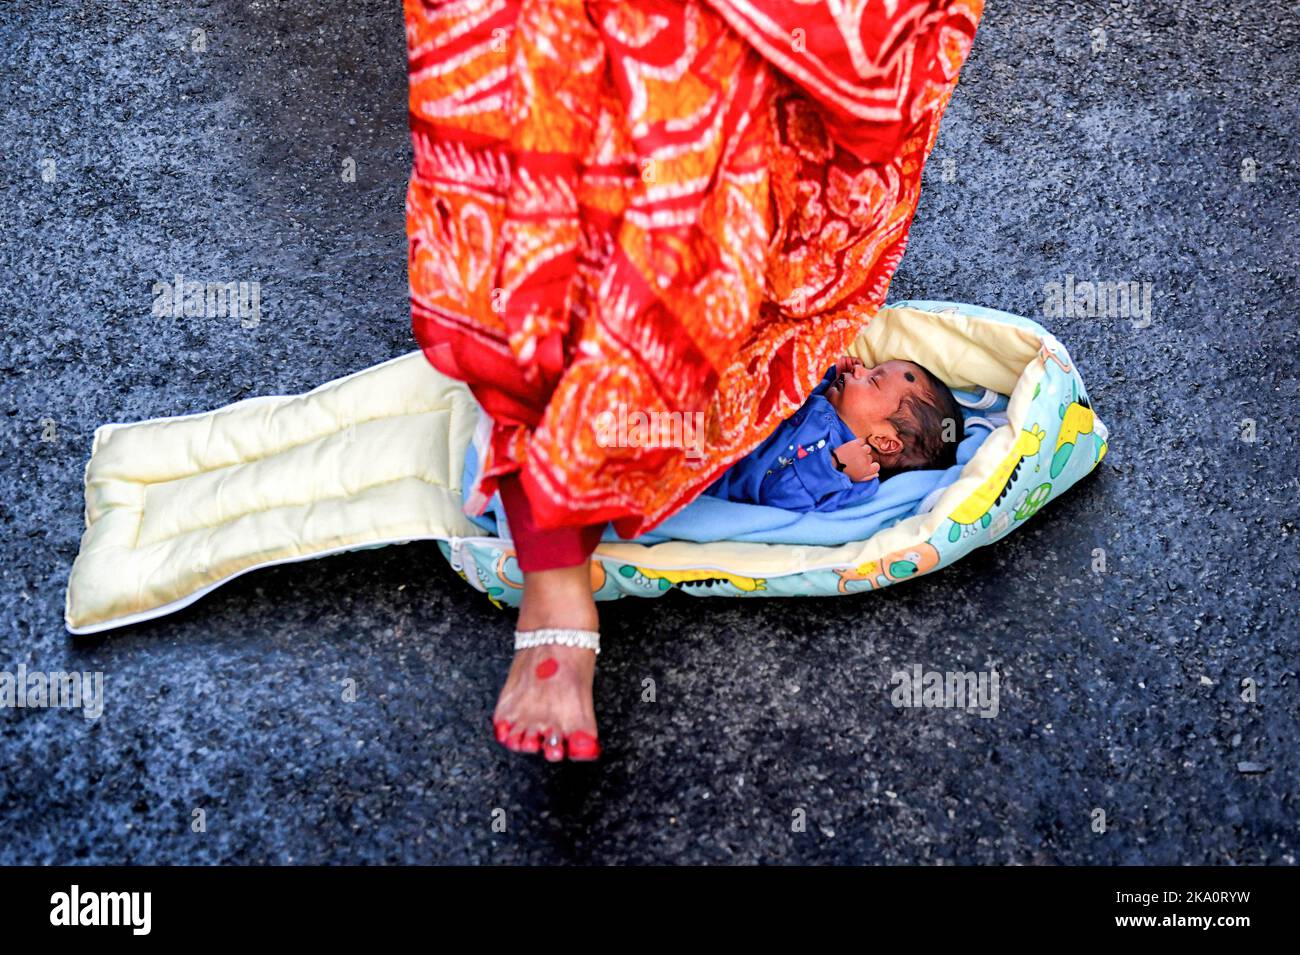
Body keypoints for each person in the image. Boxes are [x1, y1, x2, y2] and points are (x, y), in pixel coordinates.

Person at [404, 0, 985, 761]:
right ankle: (553, 515)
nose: (861, 367)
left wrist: (829, 458)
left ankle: (569, 502)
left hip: (700, 435)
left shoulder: (836, 463)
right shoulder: (827, 399)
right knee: (553, 157)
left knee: (711, 196)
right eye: (877, 367)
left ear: (881, 438)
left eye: (879, 378)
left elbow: (785, 486)